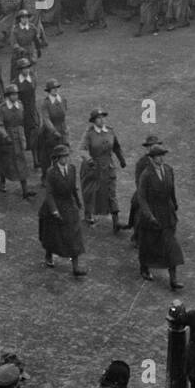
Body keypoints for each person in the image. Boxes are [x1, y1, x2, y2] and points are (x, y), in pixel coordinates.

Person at [134, 144, 185, 289]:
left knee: (171, 246)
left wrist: (174, 204)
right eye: (158, 156)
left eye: (163, 155)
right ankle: (144, 268)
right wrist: (149, 215)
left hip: (167, 214)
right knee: (149, 244)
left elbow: (171, 189)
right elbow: (141, 198)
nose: (161, 158)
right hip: (152, 215)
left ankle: (173, 279)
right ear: (152, 158)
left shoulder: (168, 170)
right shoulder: (146, 175)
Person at [39, 144, 87, 276]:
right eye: (63, 156)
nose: (66, 159)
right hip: (55, 205)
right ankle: (49, 255)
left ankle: (75, 267)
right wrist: (54, 211)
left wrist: (77, 202)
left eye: (67, 156)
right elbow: (49, 193)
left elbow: (73, 188)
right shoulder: (51, 172)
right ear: (57, 158)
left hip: (69, 205)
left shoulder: (72, 169)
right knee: (53, 236)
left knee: (74, 235)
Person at [80, 108, 126, 229]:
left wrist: (121, 159)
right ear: (94, 121)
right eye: (98, 118)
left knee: (111, 191)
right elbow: (82, 149)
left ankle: (116, 221)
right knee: (90, 191)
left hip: (108, 166)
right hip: (93, 167)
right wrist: (89, 159)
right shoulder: (89, 133)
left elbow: (116, 147)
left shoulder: (110, 131)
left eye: (102, 117)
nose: (101, 120)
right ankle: (88, 214)